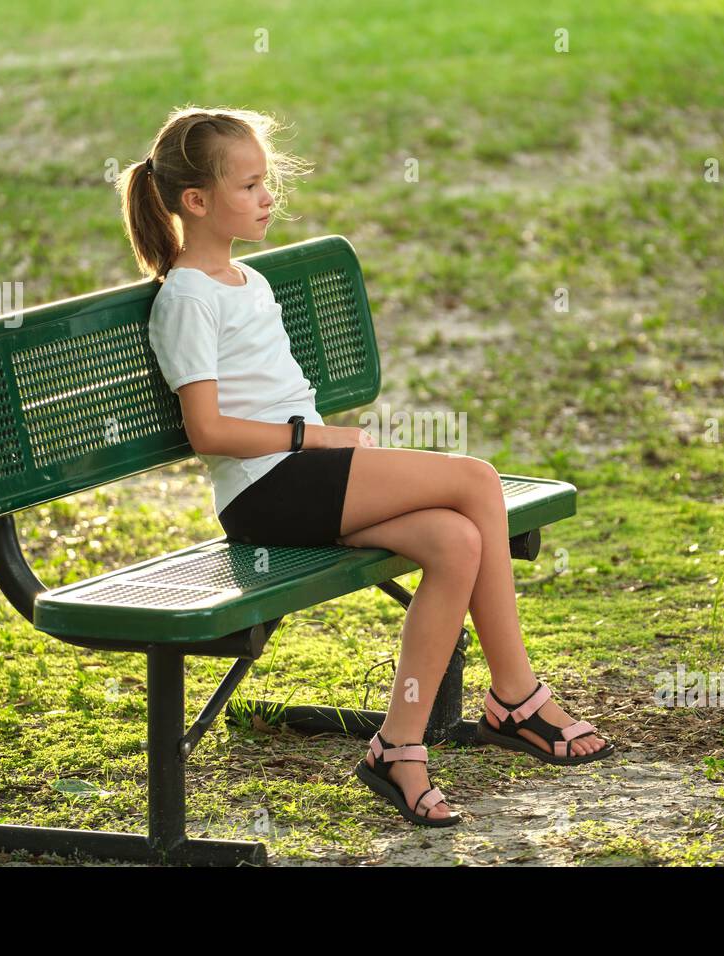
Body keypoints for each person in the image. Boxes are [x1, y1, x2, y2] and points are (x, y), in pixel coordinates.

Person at [118, 105, 614, 827]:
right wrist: (315, 440)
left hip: (300, 481)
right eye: (252, 185)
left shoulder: (245, 283)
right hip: (266, 495)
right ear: (196, 202)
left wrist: (321, 443)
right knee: (475, 479)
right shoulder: (187, 299)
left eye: (268, 182)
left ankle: (398, 750)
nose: (268, 197)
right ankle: (516, 697)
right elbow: (207, 430)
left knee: (458, 541)